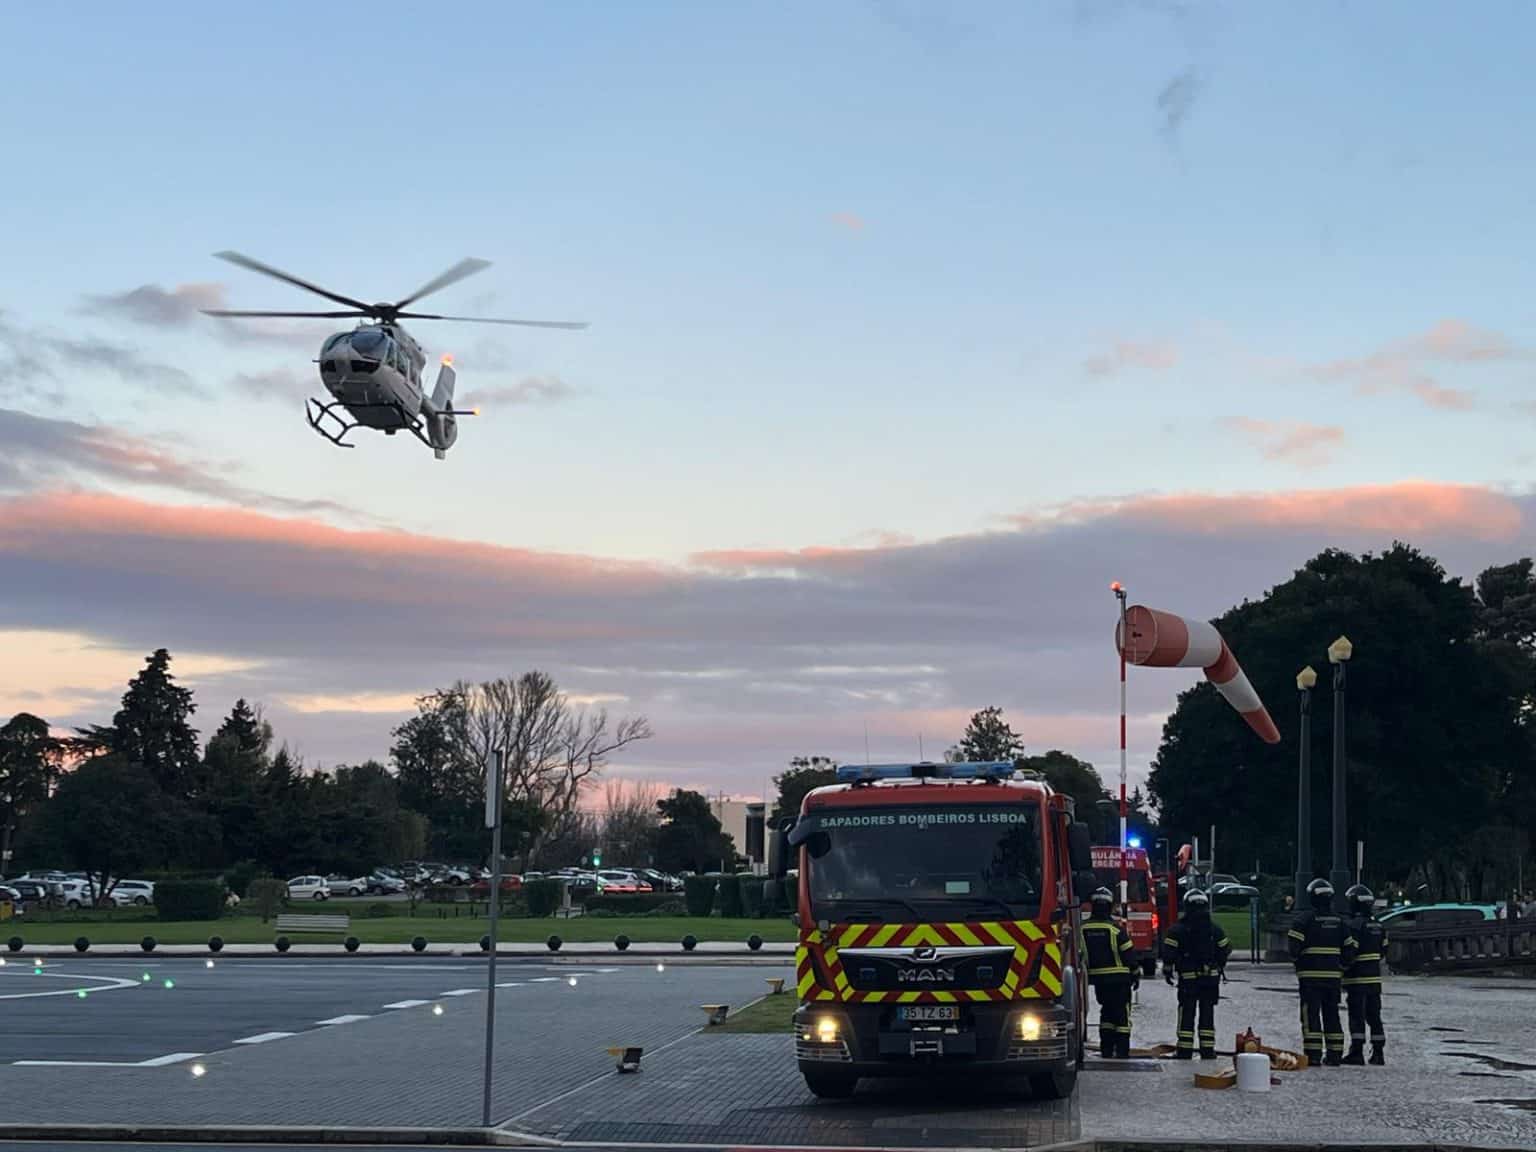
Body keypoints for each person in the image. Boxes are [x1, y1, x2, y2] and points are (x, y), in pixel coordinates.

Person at [1288, 878, 1357, 1067]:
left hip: (1309, 978)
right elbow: (1350, 951)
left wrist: (1300, 963)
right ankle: (1335, 1054)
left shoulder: (1303, 920)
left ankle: (1313, 1054)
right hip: (1333, 979)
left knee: (1311, 1015)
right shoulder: (1341, 922)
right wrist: (1341, 967)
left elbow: (1293, 948)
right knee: (1332, 1014)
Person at [1161, 887, 1231, 1059]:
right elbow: (1225, 948)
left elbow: (1169, 953)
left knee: (1187, 1012)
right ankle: (1207, 1050)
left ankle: (1185, 1050)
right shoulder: (1215, 929)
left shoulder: (1177, 929)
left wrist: (1168, 971)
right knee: (1207, 1013)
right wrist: (1218, 965)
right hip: (1210, 979)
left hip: (1188, 980)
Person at [1082, 887, 1138, 1058]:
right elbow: (1128, 955)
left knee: (1106, 1012)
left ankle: (1106, 1049)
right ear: (1109, 905)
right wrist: (1135, 973)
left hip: (1099, 980)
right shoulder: (1115, 930)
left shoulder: (1082, 929)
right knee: (1121, 1015)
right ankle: (1122, 1051)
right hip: (1120, 979)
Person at [1342, 884, 1387, 1065]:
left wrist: (1342, 967)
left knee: (1357, 1016)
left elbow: (1350, 952)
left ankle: (1357, 1051)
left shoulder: (1354, 926)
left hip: (1357, 979)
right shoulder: (1378, 925)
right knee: (1374, 1016)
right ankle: (1378, 1053)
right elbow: (1384, 950)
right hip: (1374, 979)